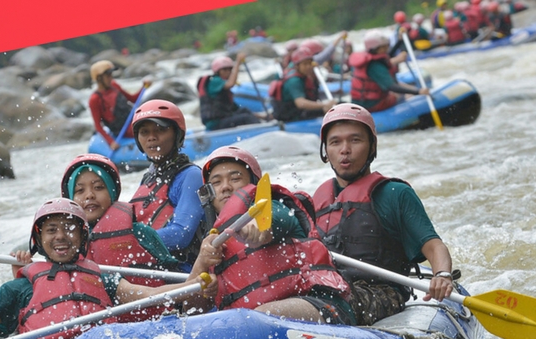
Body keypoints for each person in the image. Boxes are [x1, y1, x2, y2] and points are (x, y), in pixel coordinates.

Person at [0, 199, 202, 339]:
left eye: (69, 229)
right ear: (39, 240)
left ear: (83, 237)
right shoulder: (21, 287)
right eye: (51, 230)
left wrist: (195, 282)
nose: (61, 236)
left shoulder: (101, 279)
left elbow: (148, 294)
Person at [312, 103, 454, 326]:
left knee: (330, 300)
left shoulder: (394, 194)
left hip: (380, 292)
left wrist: (442, 275)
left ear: (372, 146)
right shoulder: (318, 199)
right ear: (326, 150)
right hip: (331, 287)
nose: (345, 150)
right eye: (335, 142)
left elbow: (434, 246)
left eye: (355, 140)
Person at [188, 146, 354, 324]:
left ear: (254, 184)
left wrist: (257, 229)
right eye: (216, 182)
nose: (226, 187)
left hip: (320, 305)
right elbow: (193, 310)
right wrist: (201, 262)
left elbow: (268, 224)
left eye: (235, 178)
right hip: (252, 325)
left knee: (257, 317)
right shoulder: (212, 242)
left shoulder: (277, 206)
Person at [61, 153, 185, 286]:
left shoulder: (141, 233)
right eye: (80, 190)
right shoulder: (64, 244)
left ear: (112, 192)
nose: (89, 195)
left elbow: (173, 275)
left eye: (98, 187)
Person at [128, 100, 207, 265]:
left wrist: (128, 244)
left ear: (177, 135)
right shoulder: (148, 177)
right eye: (144, 132)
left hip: (179, 271)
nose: (151, 138)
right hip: (145, 265)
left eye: (160, 130)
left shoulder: (191, 176)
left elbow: (181, 234)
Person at [349, 32, 429, 113]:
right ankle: (404, 111)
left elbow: (387, 56)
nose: (387, 48)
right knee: (400, 93)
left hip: (360, 103)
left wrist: (399, 41)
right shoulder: (375, 66)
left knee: (401, 86)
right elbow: (392, 87)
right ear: (377, 48)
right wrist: (418, 92)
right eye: (384, 47)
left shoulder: (368, 59)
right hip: (372, 105)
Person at [87, 60, 147, 151]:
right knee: (145, 128)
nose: (111, 78)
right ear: (99, 78)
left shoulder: (114, 85)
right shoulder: (94, 99)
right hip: (122, 129)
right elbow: (98, 125)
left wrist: (144, 87)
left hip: (133, 118)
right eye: (108, 75)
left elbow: (133, 99)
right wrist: (111, 142)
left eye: (111, 75)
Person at [270, 47, 337, 123]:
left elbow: (312, 92)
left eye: (309, 63)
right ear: (297, 66)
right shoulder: (294, 80)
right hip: (292, 117)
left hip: (298, 112)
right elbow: (300, 103)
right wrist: (324, 105)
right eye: (305, 64)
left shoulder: (305, 76)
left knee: (339, 103)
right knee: (329, 110)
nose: (308, 66)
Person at [197, 54, 263, 131]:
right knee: (246, 118)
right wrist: (238, 62)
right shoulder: (215, 81)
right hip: (215, 123)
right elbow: (231, 83)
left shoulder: (223, 88)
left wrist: (263, 117)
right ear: (218, 71)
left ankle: (262, 127)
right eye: (224, 70)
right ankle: (262, 132)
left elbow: (236, 110)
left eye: (229, 69)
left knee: (244, 111)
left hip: (224, 118)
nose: (228, 72)